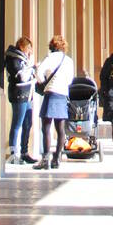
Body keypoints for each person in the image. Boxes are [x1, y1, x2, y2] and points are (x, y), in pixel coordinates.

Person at [33, 34, 74, 170]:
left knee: (46, 127)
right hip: (62, 94)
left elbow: (38, 73)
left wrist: (44, 79)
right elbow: (70, 80)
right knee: (60, 129)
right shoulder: (68, 60)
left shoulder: (50, 58)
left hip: (51, 93)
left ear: (52, 46)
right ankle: (57, 158)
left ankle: (45, 159)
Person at [4, 36, 37, 164]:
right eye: (29, 48)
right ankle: (13, 154)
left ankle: (24, 152)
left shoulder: (22, 58)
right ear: (22, 46)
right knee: (17, 123)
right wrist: (32, 69)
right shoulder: (13, 58)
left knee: (28, 123)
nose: (30, 51)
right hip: (19, 93)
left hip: (28, 93)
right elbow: (20, 76)